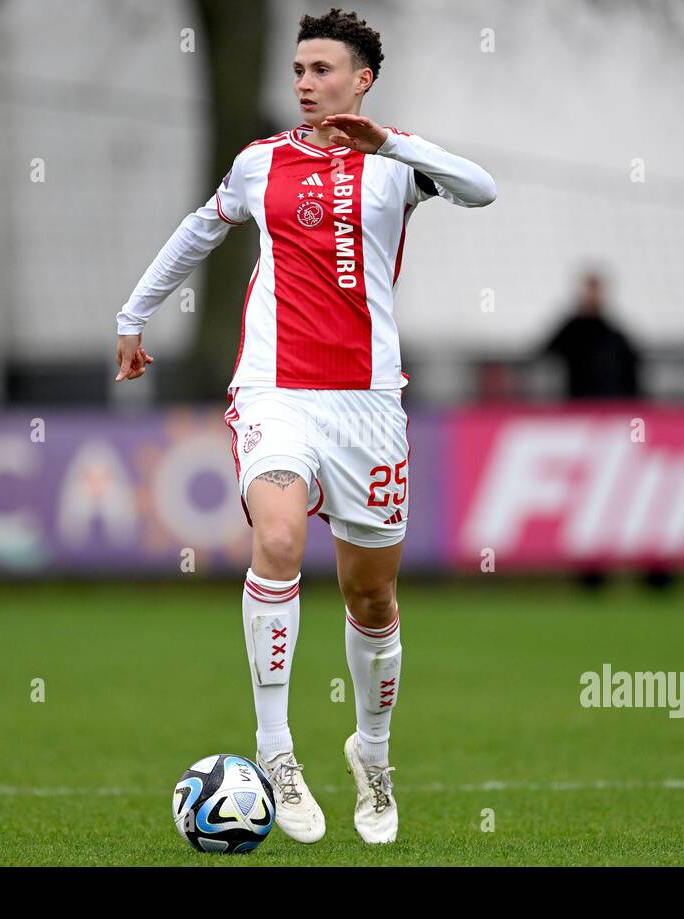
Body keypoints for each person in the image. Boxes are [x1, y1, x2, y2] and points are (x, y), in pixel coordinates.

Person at [113, 8, 495, 844]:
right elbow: (196, 232)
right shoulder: (260, 165)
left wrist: (391, 141)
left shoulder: (395, 167)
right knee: (279, 540)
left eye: (323, 70)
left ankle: (373, 754)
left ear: (362, 79)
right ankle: (276, 752)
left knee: (372, 595)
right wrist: (135, 315)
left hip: (368, 407)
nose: (305, 84)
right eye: (297, 70)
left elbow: (482, 188)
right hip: (275, 394)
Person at [542, 272, 639, 400]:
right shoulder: (570, 329)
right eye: (589, 290)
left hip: (608, 401)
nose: (591, 296)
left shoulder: (612, 332)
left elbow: (630, 365)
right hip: (577, 400)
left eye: (595, 291)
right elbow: (547, 354)